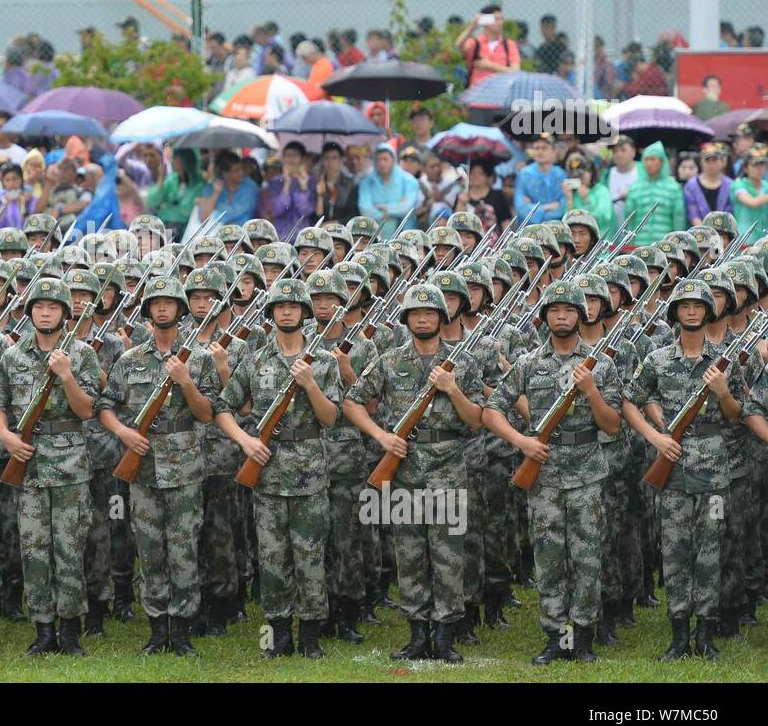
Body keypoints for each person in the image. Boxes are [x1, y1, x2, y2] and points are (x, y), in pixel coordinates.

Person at [345, 281, 485, 663]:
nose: (423, 318)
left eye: (430, 313)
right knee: (408, 555)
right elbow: (353, 402)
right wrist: (381, 436)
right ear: (406, 319)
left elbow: (476, 420)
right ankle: (417, 634)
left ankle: (445, 636)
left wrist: (452, 389)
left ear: (442, 317)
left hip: (447, 469)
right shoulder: (390, 361)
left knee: (448, 555)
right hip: (404, 469)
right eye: (416, 313)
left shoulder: (463, 362)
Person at [485, 279, 623, 664]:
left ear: (581, 315)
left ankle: (583, 638)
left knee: (587, 556)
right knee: (549, 559)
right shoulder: (529, 364)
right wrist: (522, 442)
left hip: (587, 474)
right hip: (543, 476)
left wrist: (592, 391)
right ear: (544, 317)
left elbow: (612, 425)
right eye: (554, 310)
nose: (561, 316)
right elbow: (492, 410)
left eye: (569, 310)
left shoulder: (602, 363)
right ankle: (555, 637)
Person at [216, 279, 342, 659]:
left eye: (293, 306)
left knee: (310, 554)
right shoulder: (255, 360)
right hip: (267, 472)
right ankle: (275, 635)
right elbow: (223, 407)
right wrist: (245, 441)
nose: (286, 312)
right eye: (279, 307)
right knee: (271, 556)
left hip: (309, 472)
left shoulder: (322, 362)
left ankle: (310, 636)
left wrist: (310, 385)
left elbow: (331, 417)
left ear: (305, 313)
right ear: (270, 314)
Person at [97, 276, 219, 656]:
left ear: (180, 310)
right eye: (156, 303)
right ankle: (156, 628)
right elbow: (105, 406)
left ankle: (181, 630)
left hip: (184, 465)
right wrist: (123, 433)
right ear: (148, 310)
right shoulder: (129, 360)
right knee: (149, 549)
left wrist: (185, 382)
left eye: (169, 303)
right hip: (143, 466)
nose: (162, 308)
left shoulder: (197, 358)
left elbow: (207, 412)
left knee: (183, 548)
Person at [623, 280, 741, 660]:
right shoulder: (658, 359)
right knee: (674, 551)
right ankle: (678, 635)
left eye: (698, 306)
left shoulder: (725, 358)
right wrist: (655, 438)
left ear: (708, 310)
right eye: (684, 306)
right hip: (671, 470)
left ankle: (705, 634)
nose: (691, 312)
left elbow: (737, 415)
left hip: (713, 473)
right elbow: (629, 401)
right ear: (675, 312)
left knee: (711, 550)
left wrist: (722, 391)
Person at [0, 277, 101, 656]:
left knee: (70, 547)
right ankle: (42, 629)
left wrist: (67, 375)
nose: (45, 312)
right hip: (28, 461)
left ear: (66, 314)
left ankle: (70, 630)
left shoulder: (82, 353)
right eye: (39, 306)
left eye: (53, 307)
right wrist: (4, 435)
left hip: (69, 463)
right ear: (29, 312)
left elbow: (87, 410)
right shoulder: (12, 356)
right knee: (34, 549)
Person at [624, 141, 686, 245]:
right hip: (638, 246)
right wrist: (628, 244)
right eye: (646, 159)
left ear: (662, 162)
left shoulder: (673, 187)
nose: (649, 163)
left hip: (665, 246)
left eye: (653, 159)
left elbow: (678, 219)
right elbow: (629, 219)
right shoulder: (635, 187)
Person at [357, 143, 420, 238]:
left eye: (385, 159)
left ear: (393, 160)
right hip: (375, 233)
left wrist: (386, 208)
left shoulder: (409, 181)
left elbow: (407, 208)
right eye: (378, 160)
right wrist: (385, 215)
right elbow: (365, 209)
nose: (381, 163)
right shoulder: (366, 182)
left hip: (406, 234)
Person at [261, 141, 315, 240]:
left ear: (302, 159)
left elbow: (305, 211)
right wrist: (286, 184)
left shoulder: (311, 181)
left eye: (295, 155)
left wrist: (303, 187)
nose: (291, 159)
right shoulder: (275, 182)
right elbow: (277, 210)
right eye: (288, 155)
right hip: (280, 235)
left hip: (302, 236)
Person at [456, 5, 521, 87]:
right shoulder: (475, 43)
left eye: (501, 19)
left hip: (500, 94)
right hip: (477, 96)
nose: (500, 23)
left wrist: (491, 66)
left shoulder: (509, 45)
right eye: (495, 19)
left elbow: (515, 72)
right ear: (485, 21)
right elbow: (458, 46)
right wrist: (472, 27)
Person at [514, 133, 569, 225]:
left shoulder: (560, 174)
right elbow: (521, 207)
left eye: (544, 148)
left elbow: (563, 206)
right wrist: (547, 207)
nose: (540, 151)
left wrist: (533, 207)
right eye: (536, 148)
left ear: (553, 151)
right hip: (530, 228)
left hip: (556, 226)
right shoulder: (524, 174)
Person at [197, 152, 259, 227]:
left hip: (245, 232)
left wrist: (214, 212)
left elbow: (235, 212)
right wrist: (215, 194)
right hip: (217, 234)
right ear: (225, 173)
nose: (241, 173)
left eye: (241, 169)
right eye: (236, 170)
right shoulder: (210, 188)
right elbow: (203, 218)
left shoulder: (250, 186)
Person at [563, 152, 615, 239]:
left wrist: (587, 199)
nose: (579, 177)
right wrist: (569, 200)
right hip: (577, 242)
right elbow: (566, 222)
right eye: (575, 174)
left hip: (600, 242)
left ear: (591, 173)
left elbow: (605, 218)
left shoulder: (601, 191)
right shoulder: (572, 193)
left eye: (581, 174)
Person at [683, 143, 733, 227]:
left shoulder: (730, 184)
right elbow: (692, 213)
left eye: (714, 160)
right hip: (698, 232)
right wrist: (706, 231)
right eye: (707, 160)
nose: (711, 164)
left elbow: (730, 212)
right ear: (701, 161)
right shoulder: (691, 185)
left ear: (722, 161)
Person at [454, 159, 511, 229]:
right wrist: (461, 204)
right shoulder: (462, 196)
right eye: (472, 172)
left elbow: (505, 222)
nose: (475, 176)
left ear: (488, 177)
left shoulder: (498, 196)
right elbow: (455, 223)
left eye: (480, 173)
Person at [731, 144, 768, 242]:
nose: (760, 169)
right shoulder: (738, 185)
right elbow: (753, 202)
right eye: (755, 165)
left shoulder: (766, 186)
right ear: (745, 168)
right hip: (745, 240)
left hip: (764, 239)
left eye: (762, 164)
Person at [315, 143, 358, 224]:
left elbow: (354, 214)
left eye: (334, 158)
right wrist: (320, 196)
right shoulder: (317, 183)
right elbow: (317, 216)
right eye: (326, 158)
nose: (330, 162)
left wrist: (336, 223)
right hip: (322, 230)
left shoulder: (350, 184)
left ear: (341, 160)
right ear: (322, 160)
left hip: (343, 230)